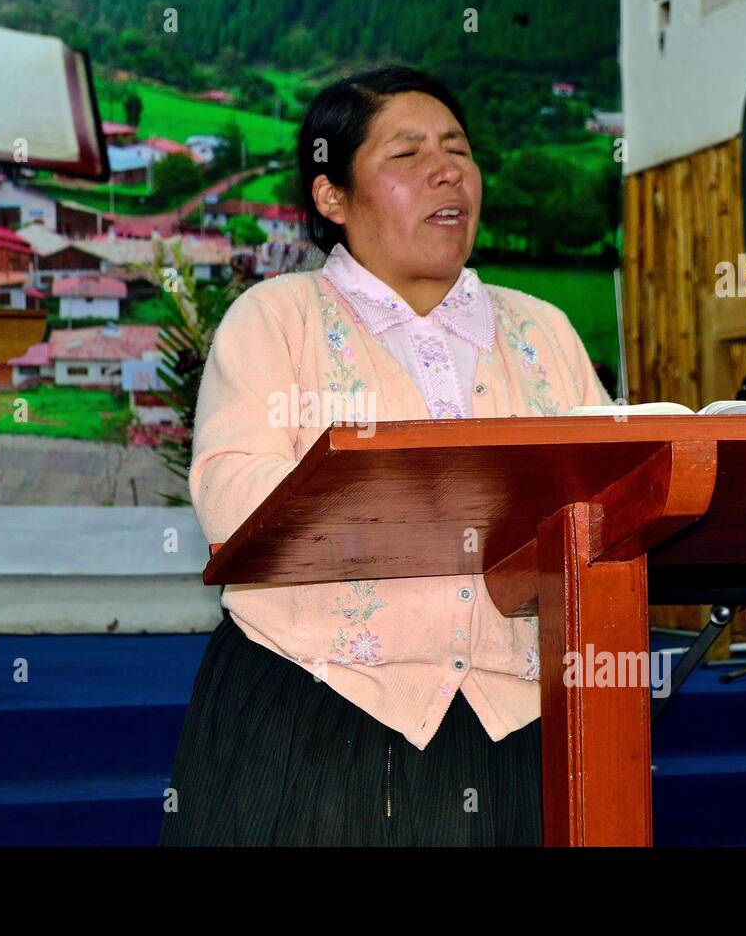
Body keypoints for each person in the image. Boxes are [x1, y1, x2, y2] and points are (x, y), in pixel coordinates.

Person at [159, 65, 613, 847]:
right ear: (331, 196)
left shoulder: (544, 329)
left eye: (458, 149)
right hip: (315, 713)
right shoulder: (277, 318)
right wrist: (447, 497)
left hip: (518, 721)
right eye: (406, 154)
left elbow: (610, 503)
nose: (447, 170)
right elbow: (234, 502)